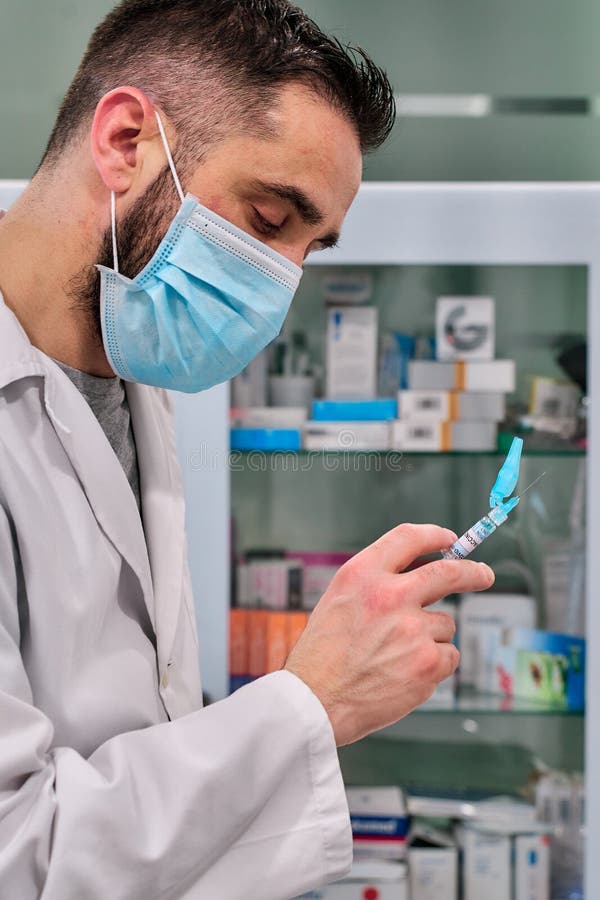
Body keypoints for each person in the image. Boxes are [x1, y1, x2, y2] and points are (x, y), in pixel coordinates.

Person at [0, 1, 494, 897]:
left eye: (307, 250)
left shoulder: (137, 369)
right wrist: (312, 700)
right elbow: (16, 854)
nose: (279, 289)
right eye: (269, 220)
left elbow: (146, 754)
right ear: (124, 141)